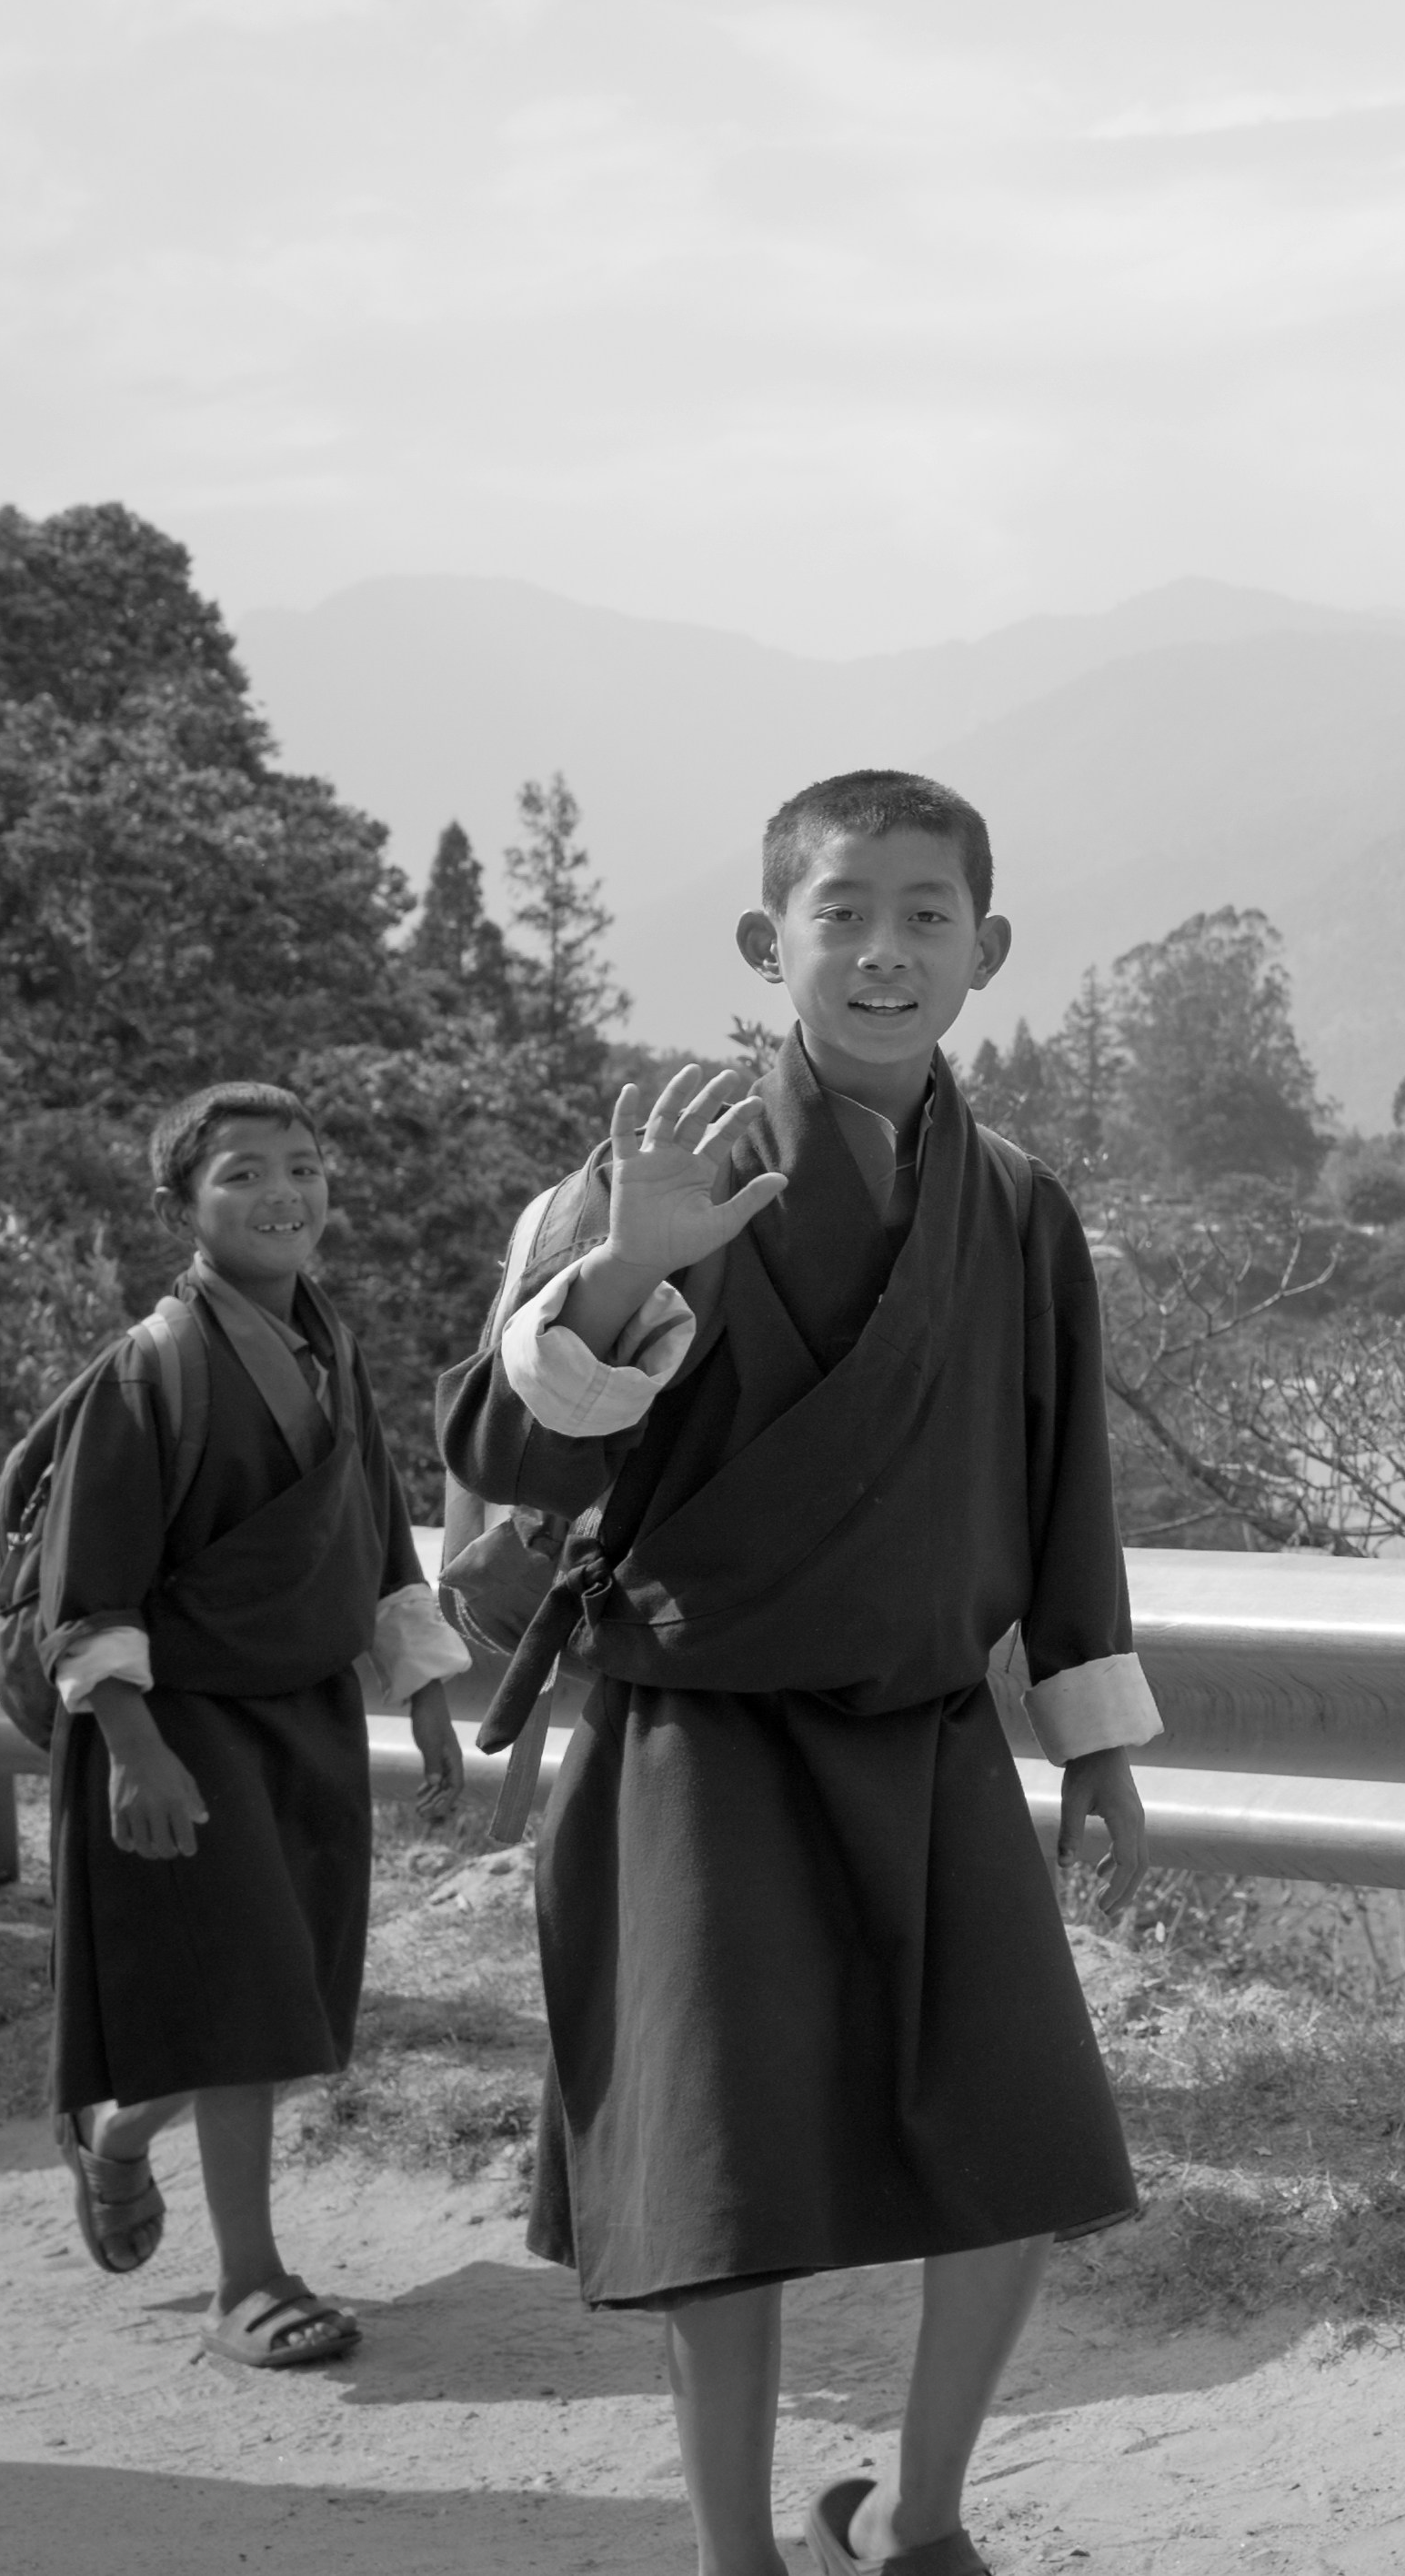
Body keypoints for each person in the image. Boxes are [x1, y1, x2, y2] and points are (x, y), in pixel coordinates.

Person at [442, 770, 1157, 2576]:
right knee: (721, 2189)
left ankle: (918, 2517)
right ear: (772, 943)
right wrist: (620, 1276)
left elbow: (1062, 1481)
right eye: (843, 912)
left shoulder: (1015, 1205)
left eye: (928, 916)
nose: (884, 951)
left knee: (1022, 2142)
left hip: (927, 1737)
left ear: (985, 953)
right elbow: (508, 1465)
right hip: (698, 1739)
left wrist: (1095, 1740)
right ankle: (736, 2553)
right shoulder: (653, 1180)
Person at [45, 1079, 471, 2370]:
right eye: (241, 1173)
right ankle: (252, 2277)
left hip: (309, 1719)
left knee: (285, 2005)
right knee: (245, 1999)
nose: (283, 1191)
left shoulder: (332, 1345)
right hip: (183, 1727)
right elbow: (90, 1583)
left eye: (303, 1162)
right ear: (182, 1205)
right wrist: (133, 1746)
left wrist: (429, 1700)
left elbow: (382, 1532)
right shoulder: (151, 1368)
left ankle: (121, 2133)